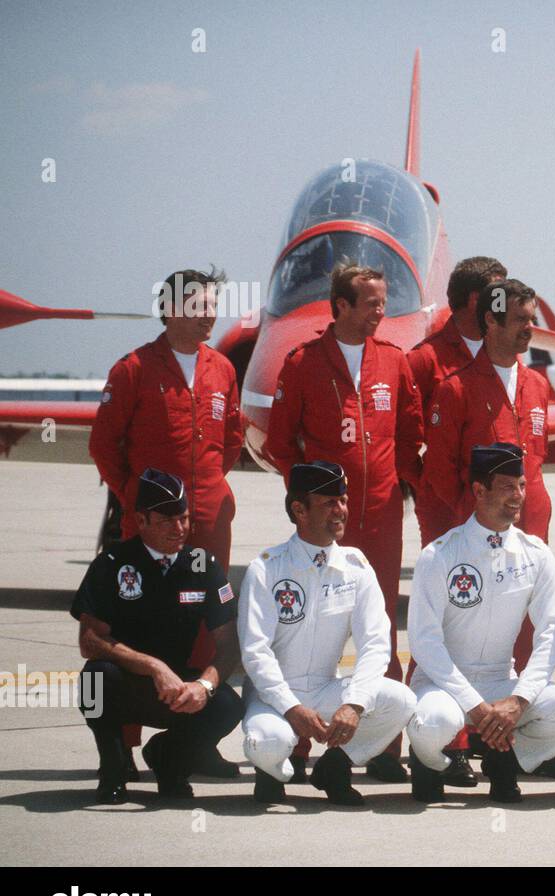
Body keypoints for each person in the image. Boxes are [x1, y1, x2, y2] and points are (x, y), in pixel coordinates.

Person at [265, 262, 423, 781]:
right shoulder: (304, 363)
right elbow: (281, 443)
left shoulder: (394, 362)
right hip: (322, 525)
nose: (382, 312)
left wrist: (401, 486)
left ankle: (382, 748)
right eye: (373, 304)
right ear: (342, 307)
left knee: (380, 630)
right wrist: (310, 501)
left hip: (378, 516)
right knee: (307, 630)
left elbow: (409, 433)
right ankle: (294, 746)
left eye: (384, 302)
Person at [88, 268, 244, 778]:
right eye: (199, 306)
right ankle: (124, 746)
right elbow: (104, 445)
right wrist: (136, 504)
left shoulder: (221, 368)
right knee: (139, 626)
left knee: (207, 630)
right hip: (151, 528)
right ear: (172, 308)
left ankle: (191, 744)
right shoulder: (134, 369)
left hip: (208, 520)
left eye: (212, 306)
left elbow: (233, 439)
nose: (209, 316)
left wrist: (209, 493)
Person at [406, 444, 555, 803]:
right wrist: (475, 706)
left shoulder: (536, 555)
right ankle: (432, 761)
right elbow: (425, 642)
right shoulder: (440, 554)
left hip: (500, 682)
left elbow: (551, 635)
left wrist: (519, 700)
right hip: (442, 687)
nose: (518, 496)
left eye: (522, 485)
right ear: (479, 491)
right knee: (433, 724)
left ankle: (501, 758)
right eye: (507, 486)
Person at [238, 461, 417, 805]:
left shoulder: (355, 566)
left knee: (402, 700)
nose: (341, 511)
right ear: (298, 510)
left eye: (343, 501)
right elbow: (255, 653)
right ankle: (272, 771)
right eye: (329, 503)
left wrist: (353, 704)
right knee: (268, 742)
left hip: (324, 687)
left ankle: (335, 766)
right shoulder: (267, 568)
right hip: (272, 694)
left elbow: (377, 645)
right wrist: (291, 708)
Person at [73, 469, 243, 804]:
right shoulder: (113, 563)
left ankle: (170, 760)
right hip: (127, 684)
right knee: (94, 680)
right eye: (166, 520)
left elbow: (228, 645)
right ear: (141, 519)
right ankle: (113, 765)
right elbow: (89, 641)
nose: (179, 529)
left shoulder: (202, 566)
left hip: (178, 691)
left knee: (227, 704)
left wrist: (203, 686)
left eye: (184, 518)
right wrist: (153, 667)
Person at [407, 256, 507, 546]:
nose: (506, 303)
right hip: (445, 507)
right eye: (499, 296)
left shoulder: (504, 356)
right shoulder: (424, 360)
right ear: (476, 300)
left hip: (500, 502)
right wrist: (426, 482)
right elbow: (402, 433)